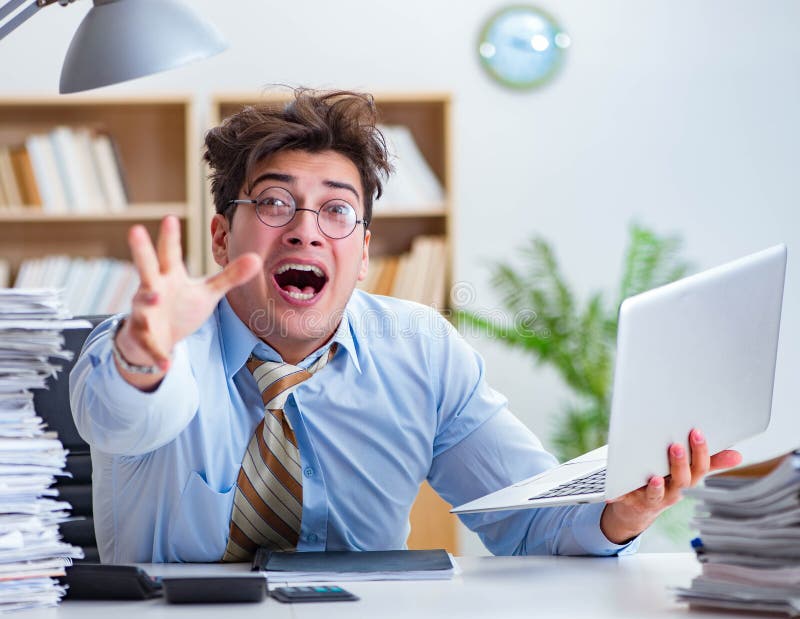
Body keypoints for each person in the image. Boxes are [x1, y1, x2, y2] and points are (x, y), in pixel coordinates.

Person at [69, 89, 741, 563]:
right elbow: (120, 415)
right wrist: (143, 356)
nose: (305, 228)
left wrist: (614, 515)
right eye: (275, 202)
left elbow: (525, 515)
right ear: (221, 237)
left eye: (337, 211)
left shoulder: (423, 351)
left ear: (363, 253)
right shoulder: (152, 337)